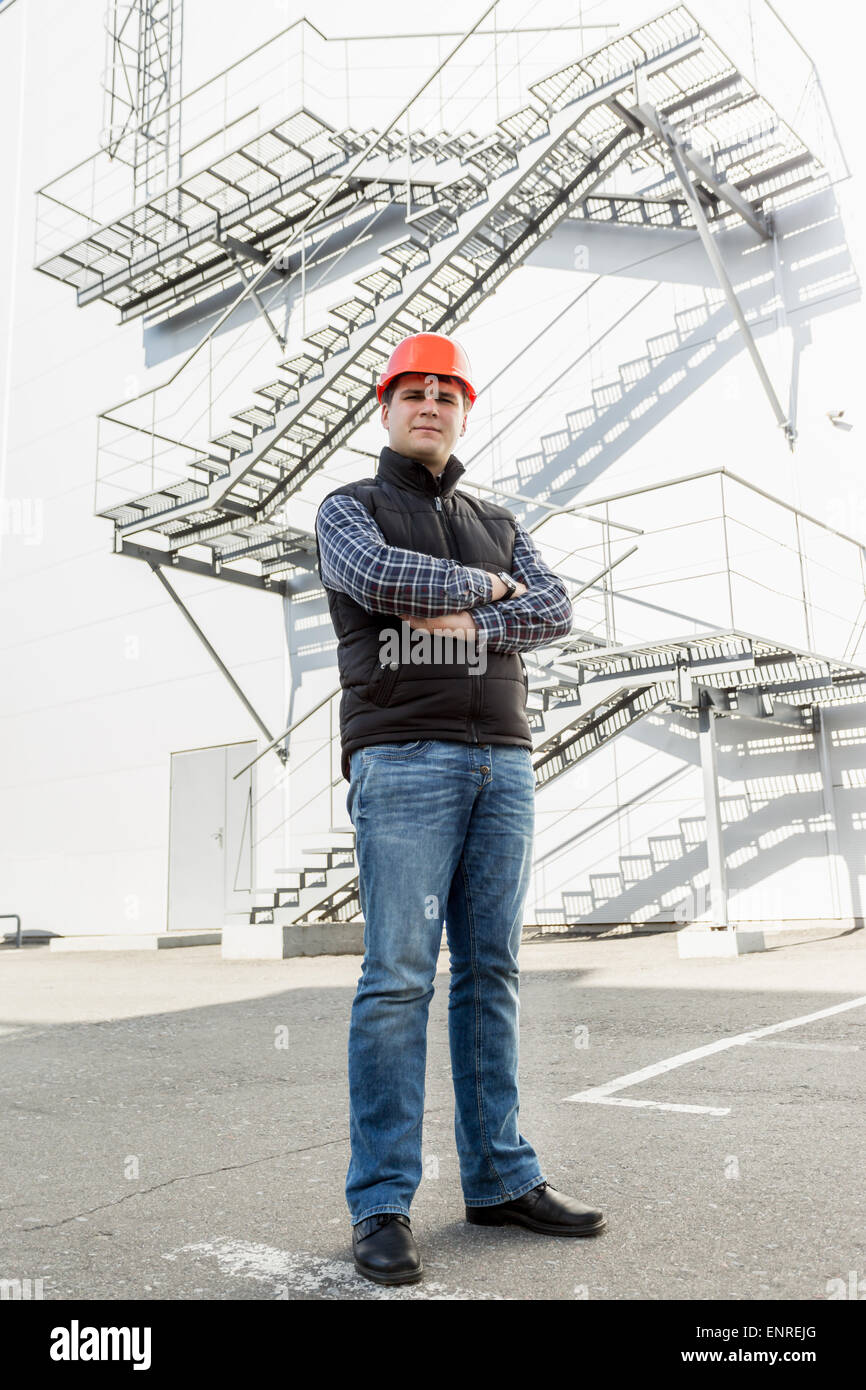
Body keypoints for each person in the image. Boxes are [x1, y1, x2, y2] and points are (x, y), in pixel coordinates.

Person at [315, 332, 606, 1286]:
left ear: (465, 409)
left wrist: (468, 612)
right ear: (387, 407)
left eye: (447, 392)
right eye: (413, 391)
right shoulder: (349, 507)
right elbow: (381, 581)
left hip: (504, 761)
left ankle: (498, 1178)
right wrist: (489, 591)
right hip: (403, 758)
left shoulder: (500, 517)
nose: (430, 403)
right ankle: (384, 1202)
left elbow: (555, 610)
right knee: (399, 977)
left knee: (493, 970)